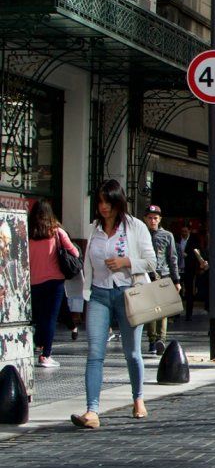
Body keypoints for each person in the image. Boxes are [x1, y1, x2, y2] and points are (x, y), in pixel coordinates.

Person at [70, 180, 157, 429]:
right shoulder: (93, 229)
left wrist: (126, 262)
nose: (103, 207)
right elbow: (87, 262)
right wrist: (83, 292)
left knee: (132, 352)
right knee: (95, 353)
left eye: (108, 202)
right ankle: (92, 411)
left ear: (118, 202)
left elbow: (151, 262)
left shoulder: (136, 227)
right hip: (99, 295)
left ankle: (138, 398)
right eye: (99, 202)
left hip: (129, 294)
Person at [28, 200, 80, 369]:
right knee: (50, 318)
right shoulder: (57, 232)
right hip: (54, 282)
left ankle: (38, 345)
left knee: (39, 317)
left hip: (33, 282)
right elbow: (75, 252)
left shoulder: (27, 233)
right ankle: (46, 355)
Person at [142, 205, 180, 354]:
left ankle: (161, 340)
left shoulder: (167, 235)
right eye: (150, 218)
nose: (152, 221)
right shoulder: (141, 235)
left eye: (155, 218)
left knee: (163, 311)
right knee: (150, 311)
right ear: (145, 219)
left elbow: (173, 258)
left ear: (160, 219)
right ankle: (152, 340)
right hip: (146, 276)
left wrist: (176, 280)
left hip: (163, 275)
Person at [179, 226, 202, 321]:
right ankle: (176, 314)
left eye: (185, 231)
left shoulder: (193, 242)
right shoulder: (178, 241)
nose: (184, 233)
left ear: (189, 231)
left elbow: (197, 255)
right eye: (182, 231)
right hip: (179, 270)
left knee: (189, 292)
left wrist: (187, 256)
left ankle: (189, 314)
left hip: (189, 269)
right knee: (178, 292)